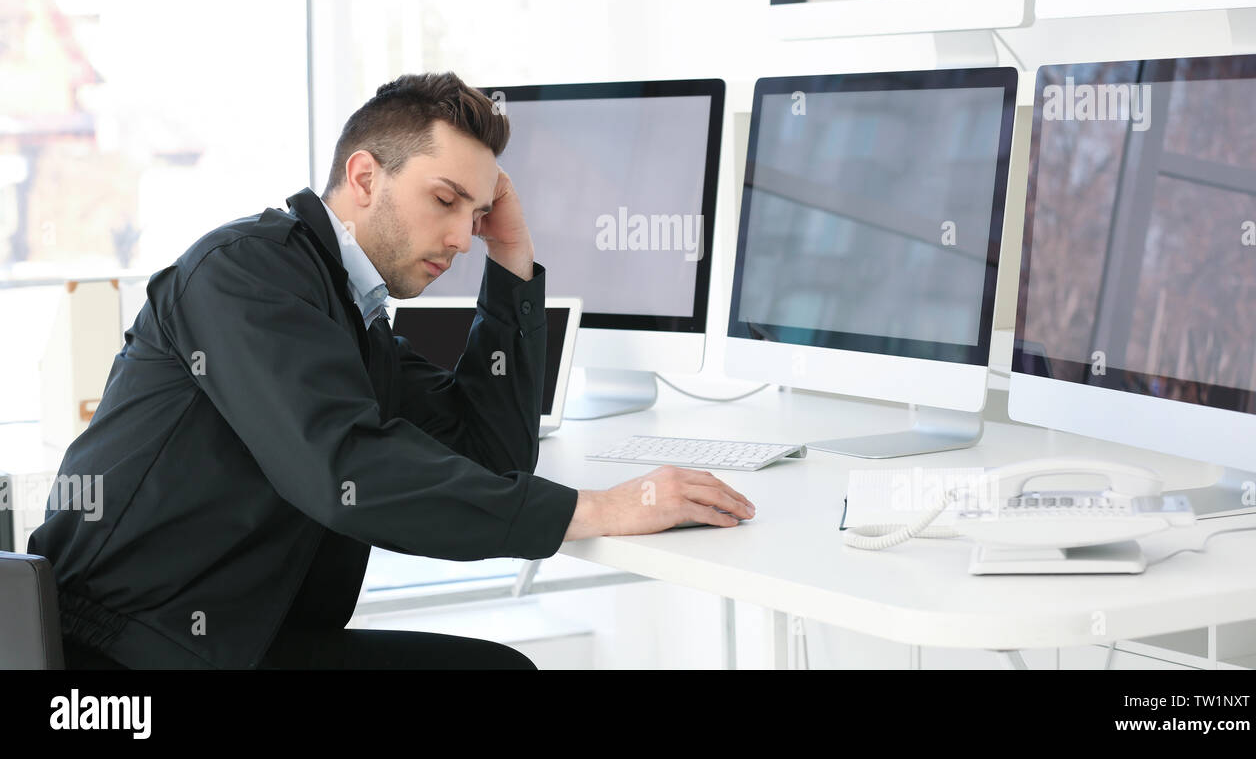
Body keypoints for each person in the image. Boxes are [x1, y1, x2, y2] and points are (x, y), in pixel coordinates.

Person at [29, 71, 754, 670]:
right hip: (117, 655)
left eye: (476, 213)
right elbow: (344, 468)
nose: (461, 236)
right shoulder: (246, 275)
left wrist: (513, 261)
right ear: (365, 175)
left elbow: (492, 454)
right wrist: (592, 510)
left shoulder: (350, 316)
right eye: (445, 200)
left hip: (239, 643)